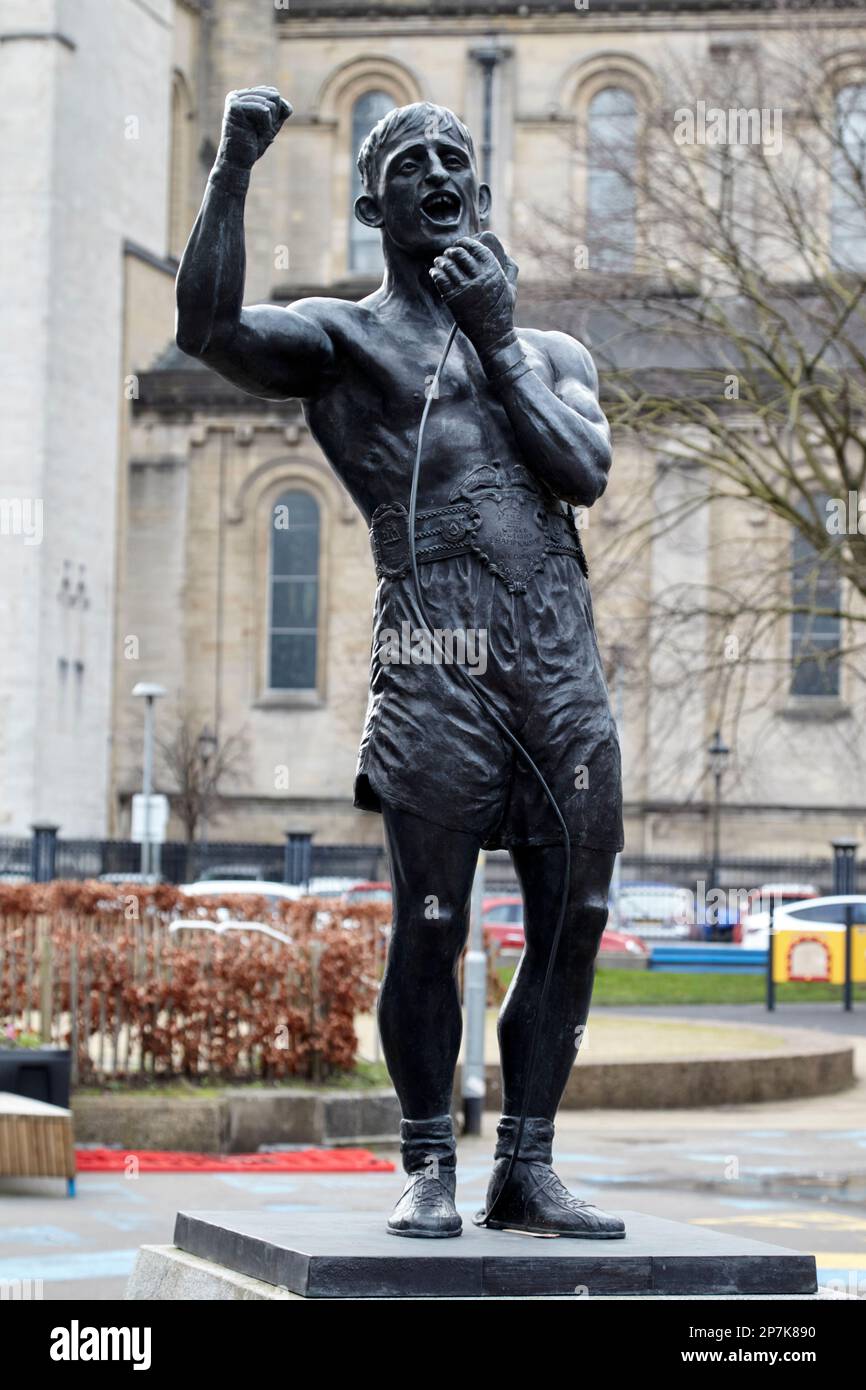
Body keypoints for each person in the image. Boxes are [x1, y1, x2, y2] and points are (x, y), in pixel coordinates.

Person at [176, 88, 625, 1239]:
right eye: (408, 160)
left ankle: (525, 1163)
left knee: (574, 915)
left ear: (475, 191)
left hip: (556, 666)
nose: (435, 171)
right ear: (375, 202)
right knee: (430, 919)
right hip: (436, 660)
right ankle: (428, 1159)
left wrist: (497, 341)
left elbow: (581, 472)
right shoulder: (344, 340)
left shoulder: (551, 348)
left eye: (453, 158)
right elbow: (209, 331)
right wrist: (231, 167)